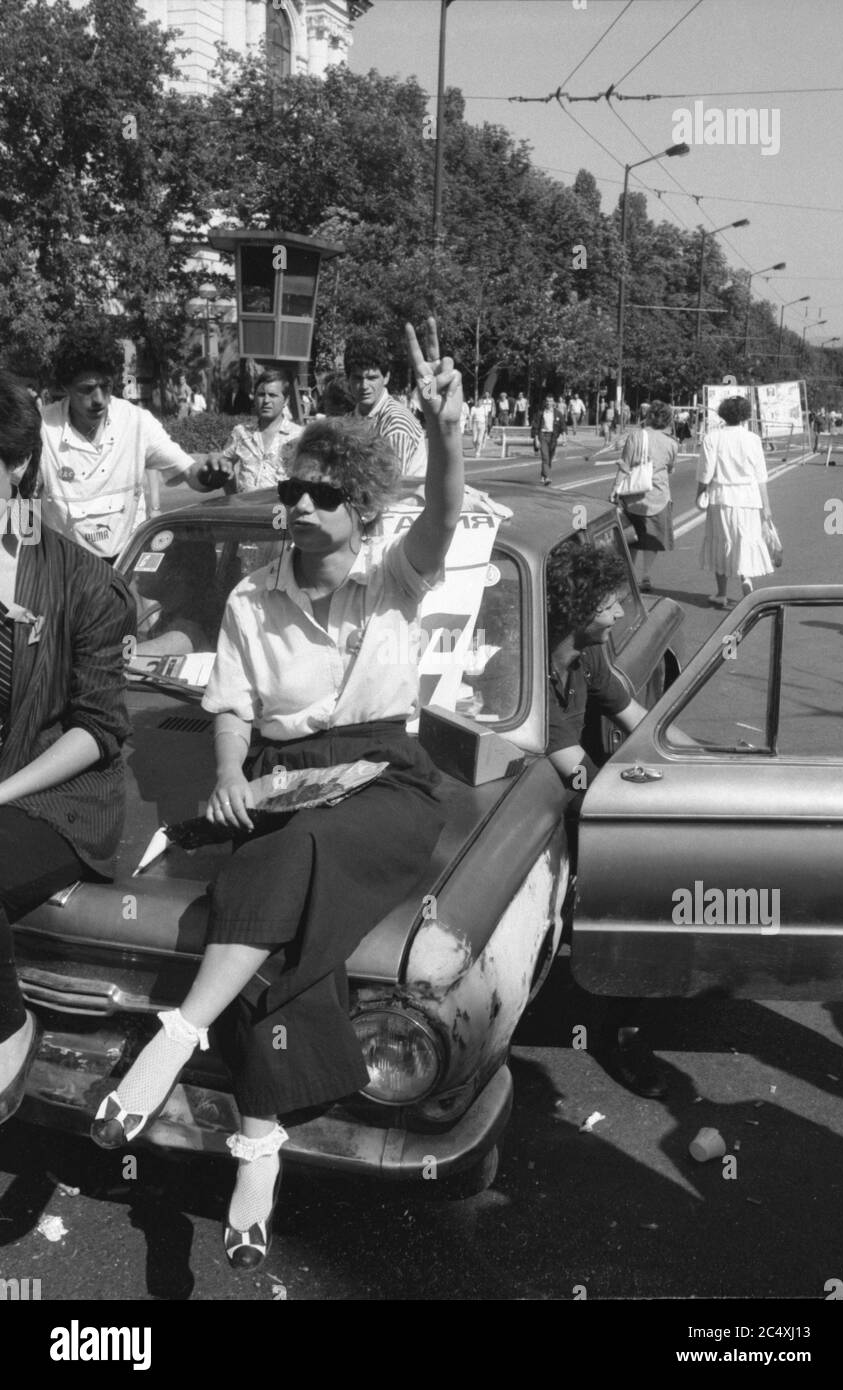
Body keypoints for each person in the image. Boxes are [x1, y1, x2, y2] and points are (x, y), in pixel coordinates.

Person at [89, 319, 464, 1271]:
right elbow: (231, 705)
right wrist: (226, 775)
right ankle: (258, 1156)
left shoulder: (395, 578)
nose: (297, 504)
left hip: (386, 778)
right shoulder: (253, 597)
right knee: (277, 924)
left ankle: (176, 1037)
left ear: (361, 513)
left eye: (321, 495)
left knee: (287, 860)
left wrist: (445, 431)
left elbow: (443, 516)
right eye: (291, 489)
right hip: (286, 778)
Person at [0, 373, 135, 1126]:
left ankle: (9, 1026)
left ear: (17, 468)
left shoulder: (83, 582)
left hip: (54, 797)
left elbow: (99, 727)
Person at [545, 538, 668, 1099]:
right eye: (610, 605)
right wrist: (635, 812)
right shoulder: (531, 667)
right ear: (577, 610)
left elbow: (637, 720)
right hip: (538, 804)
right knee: (635, 882)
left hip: (575, 787)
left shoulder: (589, 653)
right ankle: (620, 1030)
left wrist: (697, 765)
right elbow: (575, 777)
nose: (621, 613)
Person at [39, 323, 232, 562]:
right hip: (64, 569)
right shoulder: (41, 428)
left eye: (105, 386)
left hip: (123, 565)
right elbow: (14, 495)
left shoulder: (136, 421)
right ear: (64, 387)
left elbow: (189, 471)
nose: (99, 399)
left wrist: (207, 475)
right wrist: (20, 552)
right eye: (86, 390)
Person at [697, 394, 773, 608]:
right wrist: (766, 506)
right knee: (744, 540)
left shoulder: (713, 438)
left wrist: (700, 493)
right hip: (749, 498)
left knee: (721, 541)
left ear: (723, 413)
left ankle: (721, 593)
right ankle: (746, 579)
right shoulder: (753, 439)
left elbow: (705, 473)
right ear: (745, 415)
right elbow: (761, 476)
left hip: (721, 497)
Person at [612, 400, 677, 593]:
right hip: (658, 497)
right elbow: (671, 468)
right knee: (652, 539)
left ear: (648, 417)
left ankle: (630, 574)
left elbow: (624, 465)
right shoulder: (671, 443)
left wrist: (615, 489)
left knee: (631, 538)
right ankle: (645, 575)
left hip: (633, 497)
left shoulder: (635, 437)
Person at [345, 331, 427, 478]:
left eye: (372, 378)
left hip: (402, 500)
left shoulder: (396, 423)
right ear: (348, 380)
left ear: (386, 377)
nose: (364, 386)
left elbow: (387, 486)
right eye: (357, 378)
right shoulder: (349, 420)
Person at [207, 370, 303, 494]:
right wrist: (232, 497)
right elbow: (224, 466)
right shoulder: (241, 432)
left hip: (280, 510)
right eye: (261, 394)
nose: (266, 400)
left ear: (286, 400)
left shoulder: (299, 436)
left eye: (273, 395)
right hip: (246, 509)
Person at [531, 394, 563, 486]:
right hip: (543, 436)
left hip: (552, 437)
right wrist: (536, 439)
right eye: (547, 401)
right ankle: (547, 477)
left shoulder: (557, 413)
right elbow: (535, 426)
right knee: (545, 457)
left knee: (549, 459)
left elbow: (562, 426)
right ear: (545, 402)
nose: (549, 403)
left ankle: (543, 474)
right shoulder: (541, 413)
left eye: (550, 401)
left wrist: (564, 438)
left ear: (553, 403)